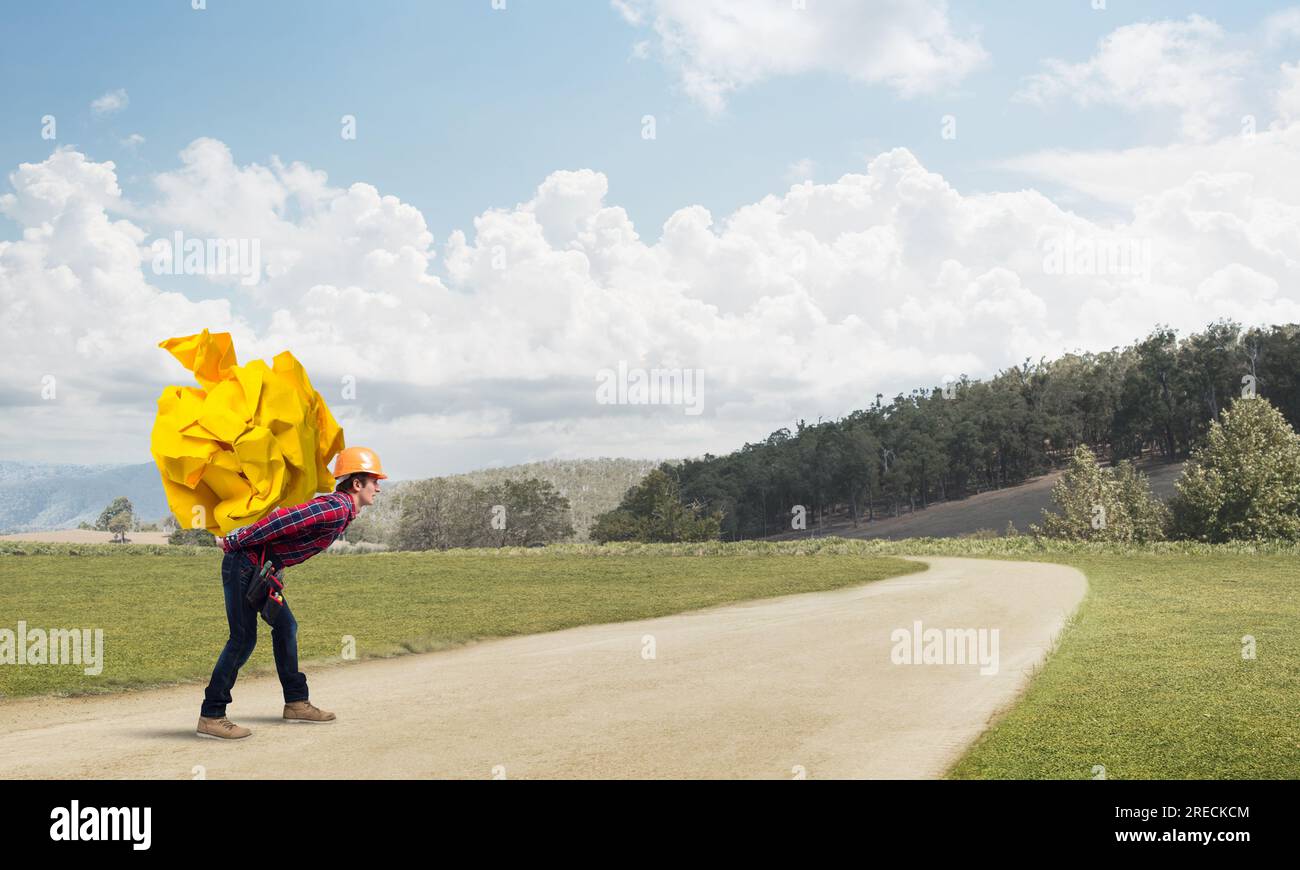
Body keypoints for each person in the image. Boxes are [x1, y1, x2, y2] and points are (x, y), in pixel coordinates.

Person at [196, 446, 387, 740]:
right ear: (357, 484)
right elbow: (282, 520)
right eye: (375, 480)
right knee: (243, 638)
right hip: (244, 563)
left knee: (286, 626)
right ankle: (212, 714)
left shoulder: (343, 511)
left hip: (260, 568)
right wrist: (235, 540)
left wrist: (275, 568)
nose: (378, 486)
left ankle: (296, 703)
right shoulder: (335, 507)